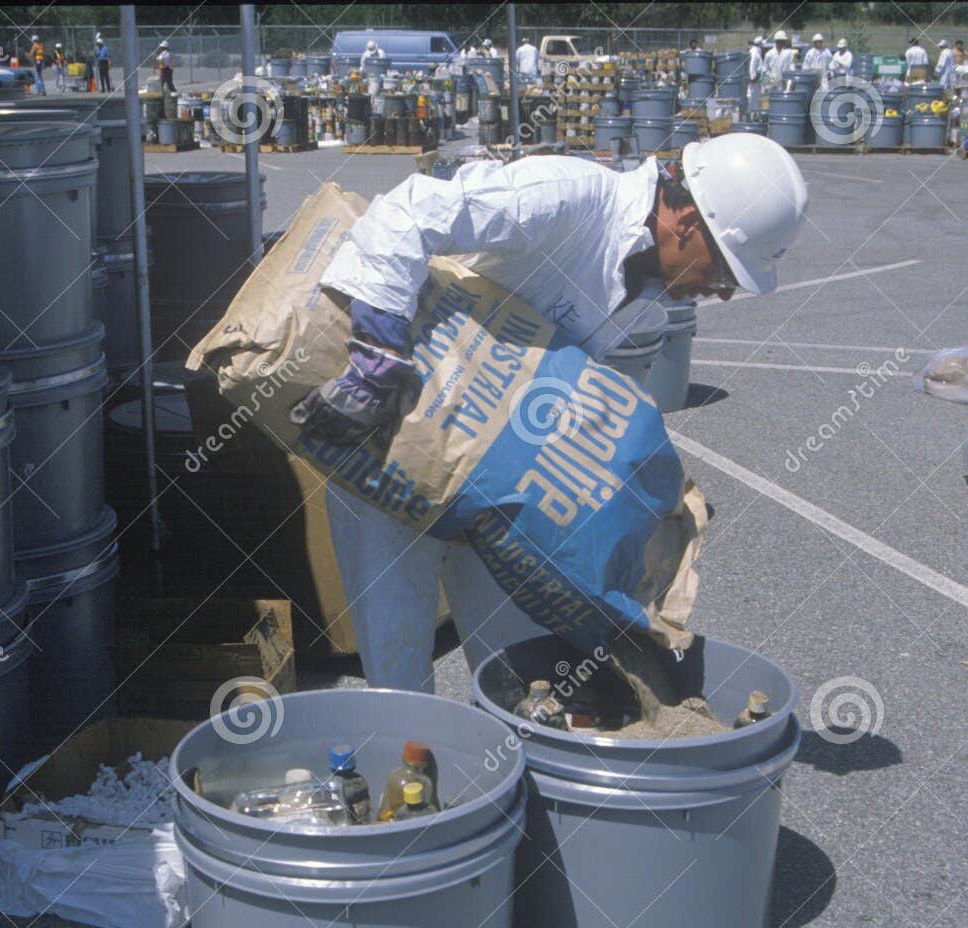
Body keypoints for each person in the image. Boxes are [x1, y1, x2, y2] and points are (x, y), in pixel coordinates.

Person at [293, 138, 809, 691]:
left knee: (518, 670)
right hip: (394, 450)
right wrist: (379, 351)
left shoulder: (649, 289)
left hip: (494, 487)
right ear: (685, 221)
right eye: (726, 270)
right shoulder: (566, 196)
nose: (723, 294)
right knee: (399, 673)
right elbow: (408, 210)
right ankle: (410, 765)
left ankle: (510, 767)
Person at [747, 35, 765, 102]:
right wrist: (753, 78)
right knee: (752, 100)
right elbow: (751, 68)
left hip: (755, 82)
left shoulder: (755, 52)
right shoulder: (755, 53)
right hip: (753, 83)